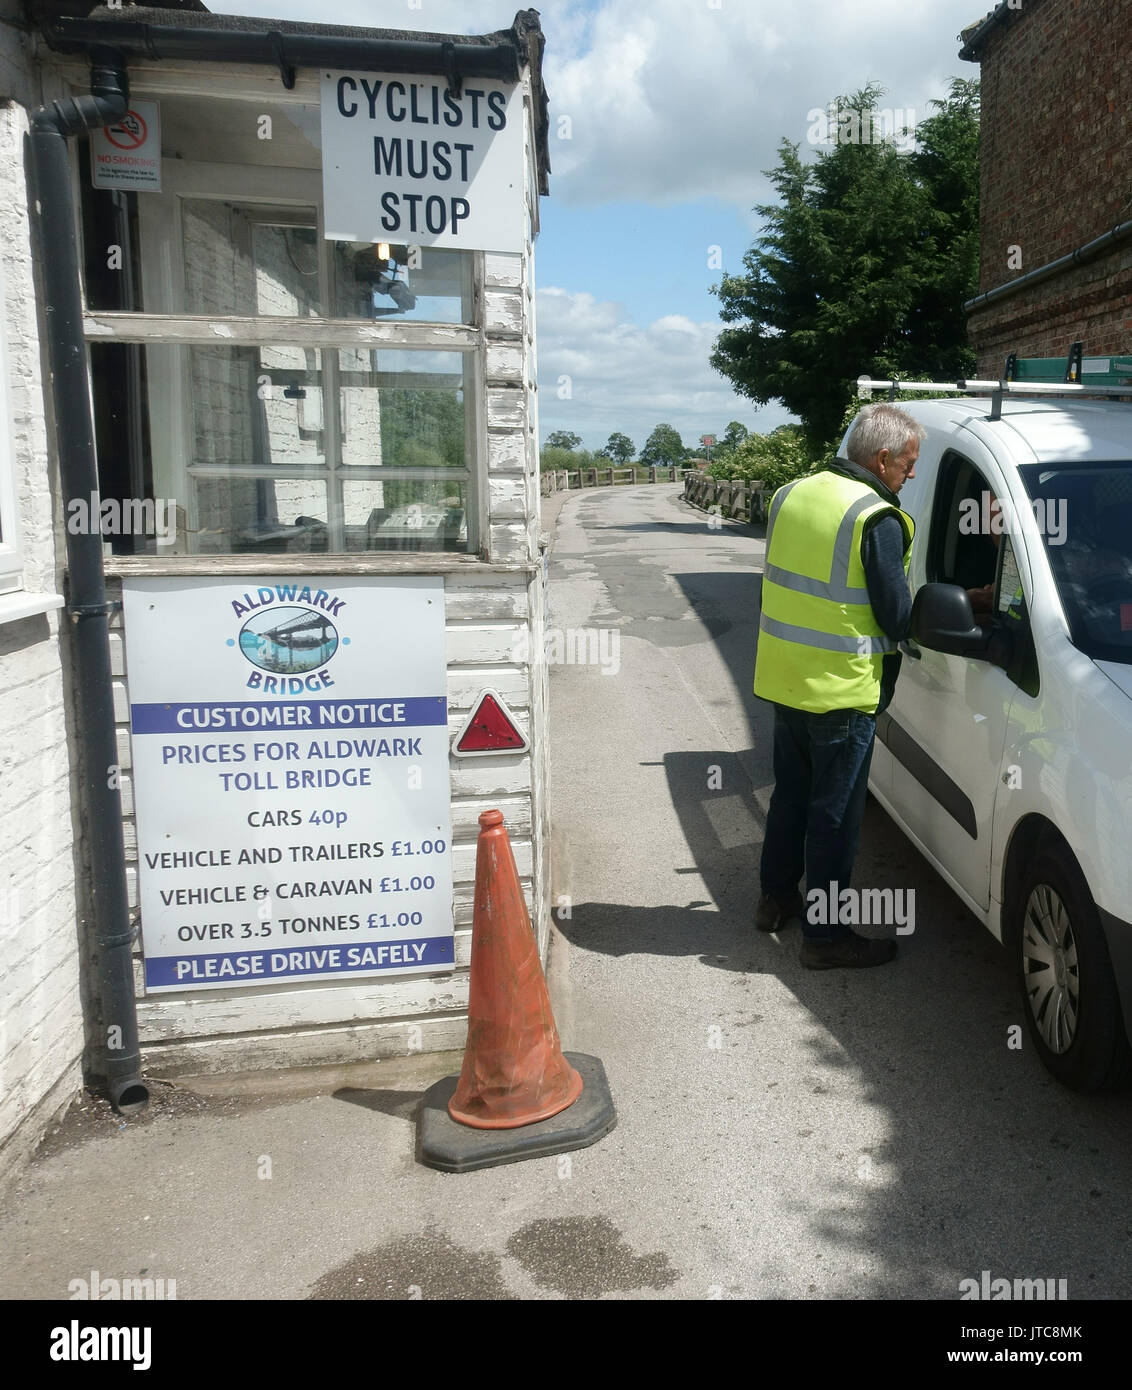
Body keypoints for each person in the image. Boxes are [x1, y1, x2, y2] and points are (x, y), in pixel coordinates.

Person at [752, 403, 924, 969]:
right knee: (836, 816)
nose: (911, 475)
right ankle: (825, 940)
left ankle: (775, 900)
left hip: (785, 678)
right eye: (907, 464)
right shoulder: (876, 518)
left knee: (791, 796)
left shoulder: (789, 494)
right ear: (881, 458)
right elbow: (897, 618)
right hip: (842, 692)